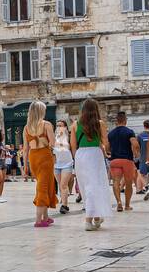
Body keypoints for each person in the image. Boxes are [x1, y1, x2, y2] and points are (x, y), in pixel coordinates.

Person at [71, 99, 113, 230]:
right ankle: (88, 220)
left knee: (85, 186)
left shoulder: (75, 124)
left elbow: (73, 145)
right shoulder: (100, 123)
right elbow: (105, 142)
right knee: (95, 185)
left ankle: (96, 217)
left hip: (80, 155)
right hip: (95, 154)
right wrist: (105, 150)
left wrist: (76, 158)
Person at [24, 101, 56, 228]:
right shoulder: (46, 125)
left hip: (33, 158)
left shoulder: (26, 128)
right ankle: (38, 220)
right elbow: (53, 143)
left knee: (43, 184)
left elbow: (25, 149)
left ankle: (46, 217)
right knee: (43, 187)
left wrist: (25, 166)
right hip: (44, 157)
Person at [107, 111, 140, 212]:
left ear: (116, 121)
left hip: (115, 160)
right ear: (125, 120)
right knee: (129, 183)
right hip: (127, 161)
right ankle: (127, 205)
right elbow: (135, 144)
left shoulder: (111, 133)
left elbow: (107, 148)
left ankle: (119, 203)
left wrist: (111, 152)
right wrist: (136, 153)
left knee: (116, 182)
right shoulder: (129, 131)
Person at [54, 119, 76, 214]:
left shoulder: (69, 137)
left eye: (61, 125)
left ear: (66, 127)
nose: (59, 127)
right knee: (61, 185)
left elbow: (73, 148)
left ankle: (64, 205)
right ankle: (64, 201)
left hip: (67, 164)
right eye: (58, 125)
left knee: (63, 184)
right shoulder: (54, 137)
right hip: (56, 164)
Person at [136, 120, 149, 201]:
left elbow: (137, 147)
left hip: (143, 158)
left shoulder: (140, 135)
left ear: (144, 125)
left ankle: (146, 186)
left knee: (141, 174)